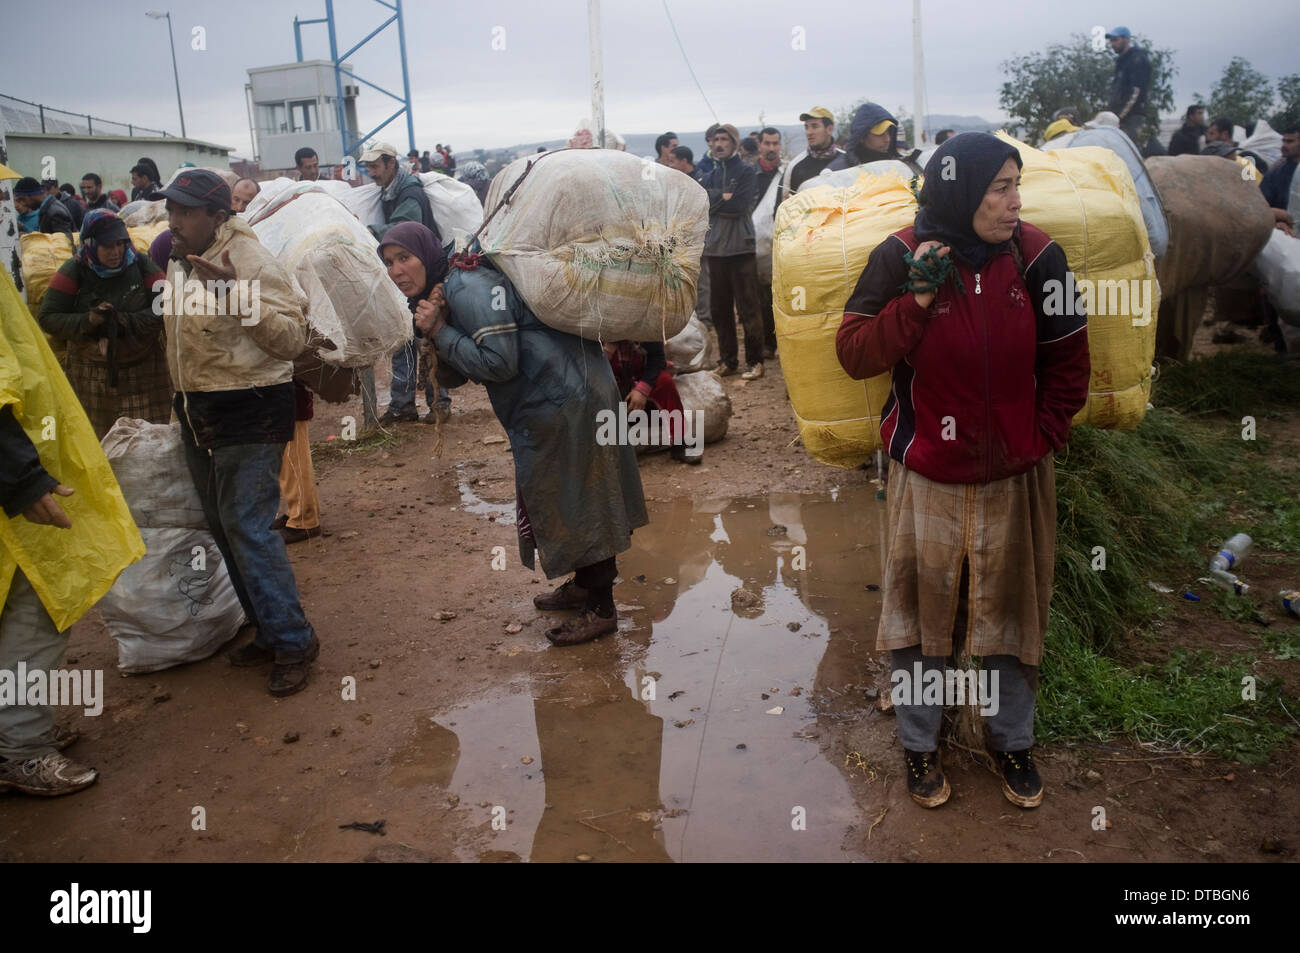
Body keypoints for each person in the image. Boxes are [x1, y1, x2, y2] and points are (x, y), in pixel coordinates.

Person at [835, 133, 1090, 810]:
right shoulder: (900, 256)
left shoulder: (1039, 257)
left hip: (1016, 472)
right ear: (959, 190)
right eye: (999, 187)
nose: (1014, 202)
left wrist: (1042, 435)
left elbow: (1069, 361)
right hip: (928, 473)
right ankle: (922, 745)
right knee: (923, 617)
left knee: (1009, 612)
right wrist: (915, 302)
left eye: (1017, 185)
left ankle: (1011, 742)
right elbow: (855, 353)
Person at [378, 223, 648, 644]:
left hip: (564, 399)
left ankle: (601, 607)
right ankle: (583, 585)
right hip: (561, 392)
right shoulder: (449, 286)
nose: (396, 270)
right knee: (568, 495)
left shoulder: (467, 284)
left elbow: (498, 363)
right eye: (389, 261)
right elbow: (465, 371)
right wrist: (440, 328)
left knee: (580, 499)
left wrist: (440, 331)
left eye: (404, 258)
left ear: (426, 254)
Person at [158, 169, 320, 696]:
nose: (174, 220)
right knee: (226, 529)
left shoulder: (247, 258)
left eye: (185, 211)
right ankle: (270, 632)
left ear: (216, 215)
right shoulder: (178, 257)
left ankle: (295, 640)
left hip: (249, 409)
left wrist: (235, 293)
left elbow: (293, 338)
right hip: (198, 410)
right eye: (171, 210)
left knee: (249, 529)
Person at [0, 269, 142, 797]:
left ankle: (12, 732)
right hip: (16, 480)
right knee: (36, 610)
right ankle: (23, 750)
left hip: (19, 465)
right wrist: (20, 479)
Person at [37, 210, 171, 438]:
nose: (117, 252)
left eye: (120, 244)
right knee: (99, 438)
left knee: (149, 438)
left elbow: (166, 306)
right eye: (108, 246)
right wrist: (89, 320)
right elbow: (48, 317)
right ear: (90, 243)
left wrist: (125, 322)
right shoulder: (74, 270)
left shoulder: (140, 264)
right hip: (92, 378)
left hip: (145, 372)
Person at [361, 141, 447, 425]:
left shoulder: (408, 192)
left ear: (391, 164)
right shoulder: (390, 191)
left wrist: (366, 231)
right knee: (406, 337)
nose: (371, 172)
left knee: (428, 338)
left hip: (422, 276)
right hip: (409, 274)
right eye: (368, 167)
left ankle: (436, 404)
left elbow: (401, 228)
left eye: (375, 166)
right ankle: (405, 404)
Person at [698, 123, 765, 379]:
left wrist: (720, 200)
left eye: (725, 139)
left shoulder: (746, 172)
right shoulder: (711, 175)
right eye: (716, 139)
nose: (719, 144)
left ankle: (755, 361)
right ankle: (728, 361)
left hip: (741, 248)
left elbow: (739, 205)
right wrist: (720, 196)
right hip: (715, 249)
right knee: (719, 309)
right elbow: (702, 203)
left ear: (734, 143)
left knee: (748, 308)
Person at [605, 339, 701, 464]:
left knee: (664, 382)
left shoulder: (647, 329)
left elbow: (657, 358)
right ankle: (618, 449)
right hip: (611, 387)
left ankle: (680, 444)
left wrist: (642, 390)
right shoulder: (594, 331)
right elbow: (590, 367)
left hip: (641, 382)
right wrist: (607, 351)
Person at [274, 381, 321, 544]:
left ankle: (304, 519)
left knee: (293, 459)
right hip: (281, 392)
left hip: (284, 396)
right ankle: (299, 512)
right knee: (289, 461)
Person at [826, 102, 923, 174]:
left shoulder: (902, 166)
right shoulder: (837, 172)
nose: (887, 139)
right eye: (880, 134)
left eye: (889, 132)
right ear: (862, 137)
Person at [754, 127, 783, 357]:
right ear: (760, 146)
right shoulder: (751, 174)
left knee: (782, 296)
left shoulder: (787, 173)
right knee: (758, 298)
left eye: (775, 144)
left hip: (781, 244)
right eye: (767, 144)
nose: (771, 148)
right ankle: (766, 343)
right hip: (754, 247)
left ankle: (782, 341)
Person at [778, 107, 845, 205]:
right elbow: (783, 206)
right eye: (806, 127)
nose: (809, 132)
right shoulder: (795, 166)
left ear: (829, 129)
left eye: (814, 126)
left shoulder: (846, 160)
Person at [1105, 26, 1151, 145]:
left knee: (1129, 148)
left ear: (1125, 39)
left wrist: (1119, 116)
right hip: (1119, 116)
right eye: (1111, 41)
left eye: (1115, 40)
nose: (1112, 44)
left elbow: (1136, 92)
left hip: (1132, 117)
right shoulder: (1122, 61)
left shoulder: (1137, 59)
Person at [1260, 124, 1299, 237]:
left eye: (1290, 141)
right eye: (1283, 141)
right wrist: (1277, 221)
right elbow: (1261, 207)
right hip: (1286, 236)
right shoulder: (1275, 174)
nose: (1284, 145)